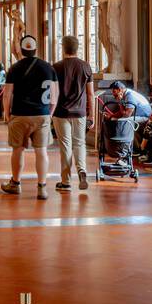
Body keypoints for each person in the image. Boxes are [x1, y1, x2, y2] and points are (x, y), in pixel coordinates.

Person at [1, 34, 58, 201]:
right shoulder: (49, 68)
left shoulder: (15, 68)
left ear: (21, 49)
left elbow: (7, 94)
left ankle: (16, 184)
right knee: (42, 151)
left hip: (20, 114)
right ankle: (42, 188)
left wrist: (7, 114)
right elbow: (55, 95)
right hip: (42, 115)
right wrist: (50, 113)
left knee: (18, 150)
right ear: (35, 49)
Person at [52, 35, 94, 193]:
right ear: (77, 48)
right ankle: (82, 171)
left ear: (63, 48)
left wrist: (49, 112)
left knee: (65, 145)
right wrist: (92, 116)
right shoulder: (85, 66)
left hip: (61, 112)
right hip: (80, 112)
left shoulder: (56, 67)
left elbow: (53, 93)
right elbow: (90, 94)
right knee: (80, 143)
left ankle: (66, 181)